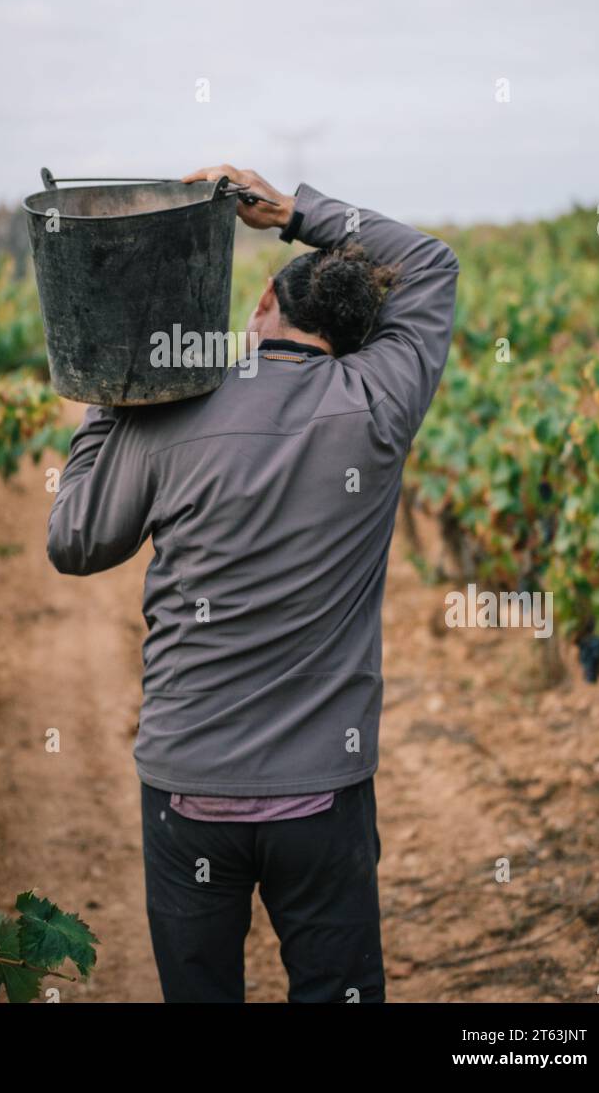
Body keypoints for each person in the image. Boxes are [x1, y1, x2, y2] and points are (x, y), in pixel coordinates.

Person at [47, 164, 459, 1003]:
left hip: (188, 786)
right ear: (357, 339)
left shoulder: (169, 411)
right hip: (322, 798)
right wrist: (299, 211)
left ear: (264, 300)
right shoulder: (378, 404)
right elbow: (432, 264)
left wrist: (109, 394)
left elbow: (75, 540)